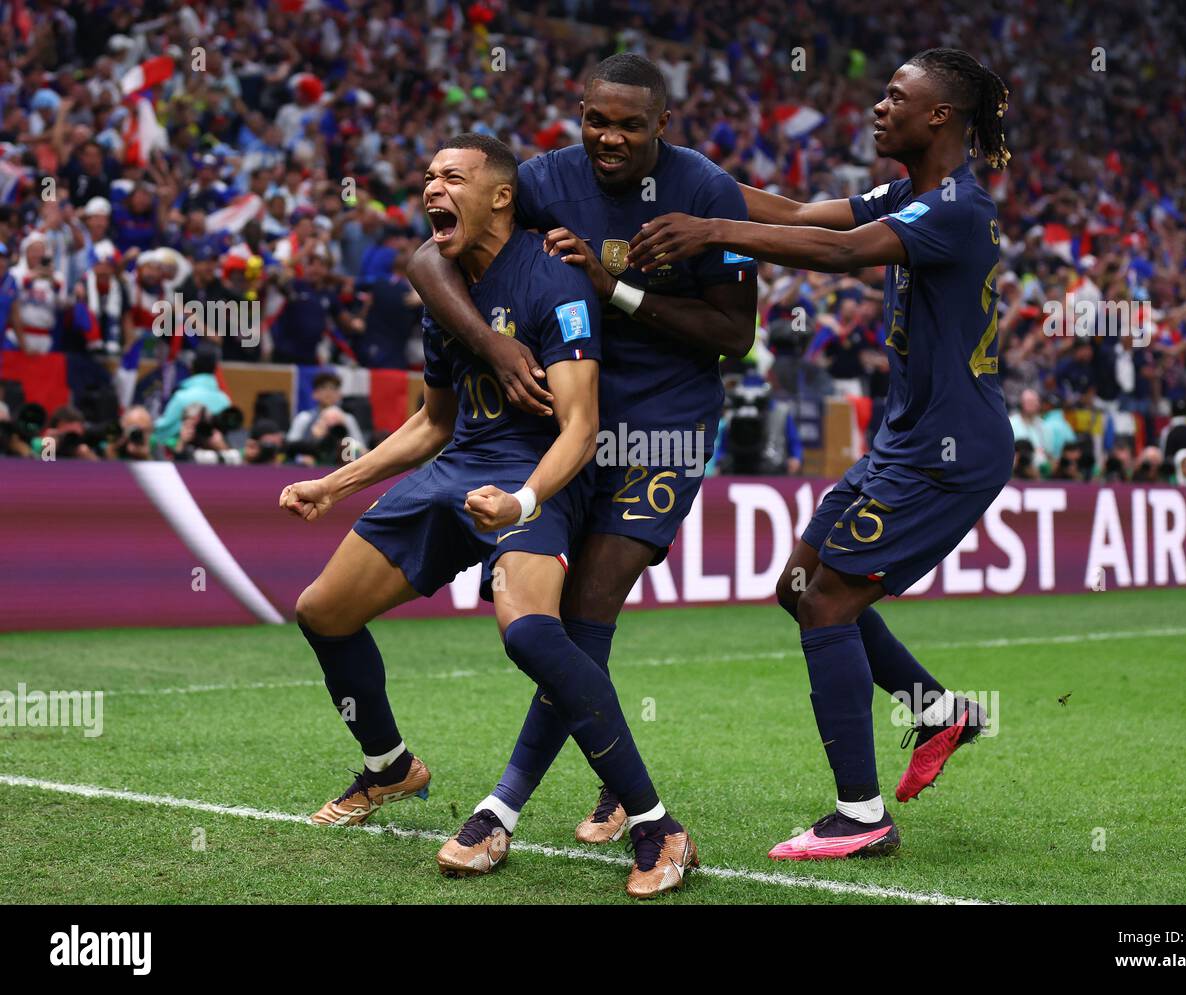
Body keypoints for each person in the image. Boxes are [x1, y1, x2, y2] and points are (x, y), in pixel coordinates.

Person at [283, 134, 696, 899]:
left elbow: (580, 427)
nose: (431, 188)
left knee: (533, 634)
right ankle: (390, 767)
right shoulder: (447, 286)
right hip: (452, 473)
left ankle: (655, 820)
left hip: (534, 482)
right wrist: (334, 484)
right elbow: (432, 422)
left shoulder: (554, 280)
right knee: (322, 611)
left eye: (452, 177)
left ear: (500, 195)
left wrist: (525, 501)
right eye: (427, 176)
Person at [627, 47, 1015, 860]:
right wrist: (695, 183)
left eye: (895, 96)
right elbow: (806, 216)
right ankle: (936, 709)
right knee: (801, 587)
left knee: (832, 603)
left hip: (949, 453)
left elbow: (841, 254)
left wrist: (710, 228)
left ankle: (861, 814)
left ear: (939, 116)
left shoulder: (955, 208)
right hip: (907, 441)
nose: (878, 107)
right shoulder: (909, 193)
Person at [407, 54, 756, 848]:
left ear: (663, 123)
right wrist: (493, 351)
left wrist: (616, 289)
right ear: (580, 109)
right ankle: (613, 779)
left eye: (631, 124)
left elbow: (737, 334)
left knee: (587, 607)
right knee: (556, 622)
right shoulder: (537, 179)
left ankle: (503, 807)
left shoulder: (706, 192)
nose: (611, 137)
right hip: (568, 425)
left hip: (661, 427)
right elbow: (431, 258)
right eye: (598, 119)